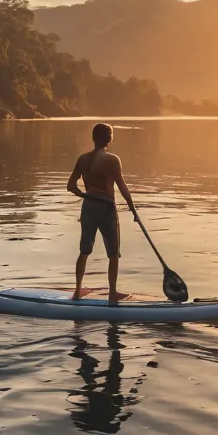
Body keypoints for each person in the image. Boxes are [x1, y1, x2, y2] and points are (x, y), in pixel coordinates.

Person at [67, 123, 136, 302]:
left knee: (84, 250)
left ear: (94, 138)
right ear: (109, 139)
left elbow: (71, 186)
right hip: (106, 208)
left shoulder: (83, 159)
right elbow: (122, 187)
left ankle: (77, 291)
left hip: (89, 207)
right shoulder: (113, 160)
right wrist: (132, 208)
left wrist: (86, 195)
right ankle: (112, 293)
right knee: (113, 253)